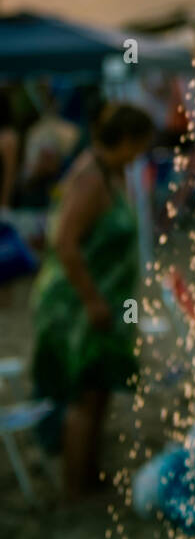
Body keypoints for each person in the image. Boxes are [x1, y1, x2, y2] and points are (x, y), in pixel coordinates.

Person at [31, 102, 155, 500]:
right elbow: (64, 243)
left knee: (100, 386)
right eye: (141, 145)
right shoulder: (91, 178)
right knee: (84, 393)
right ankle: (74, 487)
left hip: (104, 301)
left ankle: (89, 474)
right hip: (78, 305)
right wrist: (93, 300)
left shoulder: (111, 172)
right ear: (127, 140)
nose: (143, 154)